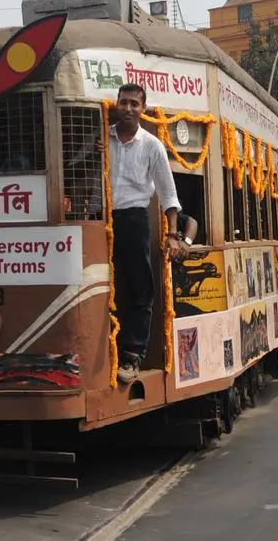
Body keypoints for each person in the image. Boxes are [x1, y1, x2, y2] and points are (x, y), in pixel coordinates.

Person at [92, 83, 184, 384]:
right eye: (123, 102)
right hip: (99, 219)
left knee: (139, 288)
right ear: (116, 105)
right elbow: (76, 169)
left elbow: (169, 196)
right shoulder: (102, 139)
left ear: (143, 109)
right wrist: (93, 154)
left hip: (134, 219)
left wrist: (172, 236)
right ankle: (99, 352)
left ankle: (132, 356)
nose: (128, 108)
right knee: (100, 285)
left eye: (134, 103)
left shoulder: (152, 145)